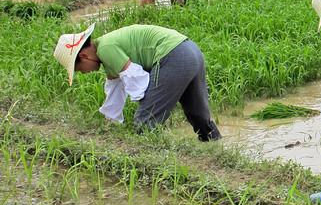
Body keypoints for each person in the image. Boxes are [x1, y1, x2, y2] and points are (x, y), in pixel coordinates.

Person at [53, 23, 221, 141]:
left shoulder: (105, 49)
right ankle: (215, 147)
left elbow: (137, 80)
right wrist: (109, 123)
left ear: (83, 56)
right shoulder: (106, 53)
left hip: (173, 55)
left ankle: (150, 164)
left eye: (79, 69)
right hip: (190, 50)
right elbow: (114, 92)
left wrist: (146, 106)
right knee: (198, 115)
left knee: (145, 122)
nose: (83, 73)